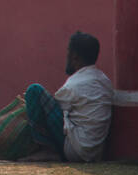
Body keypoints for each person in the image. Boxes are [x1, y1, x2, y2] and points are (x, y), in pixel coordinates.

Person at [21, 31, 114, 162]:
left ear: (74, 56)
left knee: (34, 91)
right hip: (95, 152)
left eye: (68, 52)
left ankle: (46, 150)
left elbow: (51, 110)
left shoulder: (75, 84)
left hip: (75, 150)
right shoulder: (105, 81)